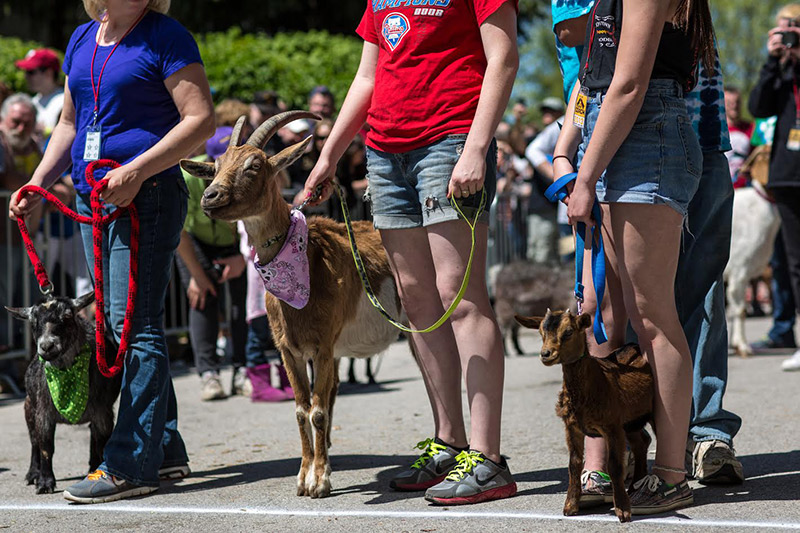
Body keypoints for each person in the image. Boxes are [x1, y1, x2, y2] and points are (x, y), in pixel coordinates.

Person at [302, 0, 519, 505]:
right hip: (385, 151)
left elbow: (503, 58)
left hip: (449, 141)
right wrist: (329, 156)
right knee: (417, 304)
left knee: (460, 298)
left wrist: (477, 148)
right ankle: (450, 444)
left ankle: (488, 460)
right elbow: (366, 79)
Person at [9, 0, 214, 503]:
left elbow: (200, 120)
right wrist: (38, 183)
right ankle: (163, 447)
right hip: (93, 196)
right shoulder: (83, 37)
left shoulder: (166, 35)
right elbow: (68, 125)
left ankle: (128, 462)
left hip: (146, 194)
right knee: (122, 323)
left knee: (133, 325)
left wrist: (139, 170)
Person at [552, 0, 717, 514]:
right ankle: (618, 464)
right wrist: (567, 147)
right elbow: (593, 76)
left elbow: (627, 84)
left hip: (648, 137)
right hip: (613, 134)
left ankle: (670, 476)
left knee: (653, 316)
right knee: (608, 311)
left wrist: (583, 177)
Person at [176, 126, 248, 401]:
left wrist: (241, 258)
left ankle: (242, 370)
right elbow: (179, 230)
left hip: (234, 242)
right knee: (202, 298)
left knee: (241, 303)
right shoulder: (189, 180)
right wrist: (197, 275)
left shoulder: (247, 179)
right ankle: (209, 374)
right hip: (194, 241)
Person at [748, 3, 800, 372]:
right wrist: (773, 62)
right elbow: (758, 108)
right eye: (782, 29)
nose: (788, 36)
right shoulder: (781, 73)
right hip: (786, 176)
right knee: (794, 263)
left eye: (795, 28)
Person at [15, 49, 65, 141]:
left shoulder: (65, 101)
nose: (26, 76)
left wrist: (46, 131)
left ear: (48, 73)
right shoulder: (33, 101)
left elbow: (72, 132)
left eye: (30, 72)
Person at [723, 87, 753, 180]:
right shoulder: (715, 130)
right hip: (721, 188)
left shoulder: (751, 128)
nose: (734, 105)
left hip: (746, 187)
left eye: (737, 102)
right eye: (729, 103)